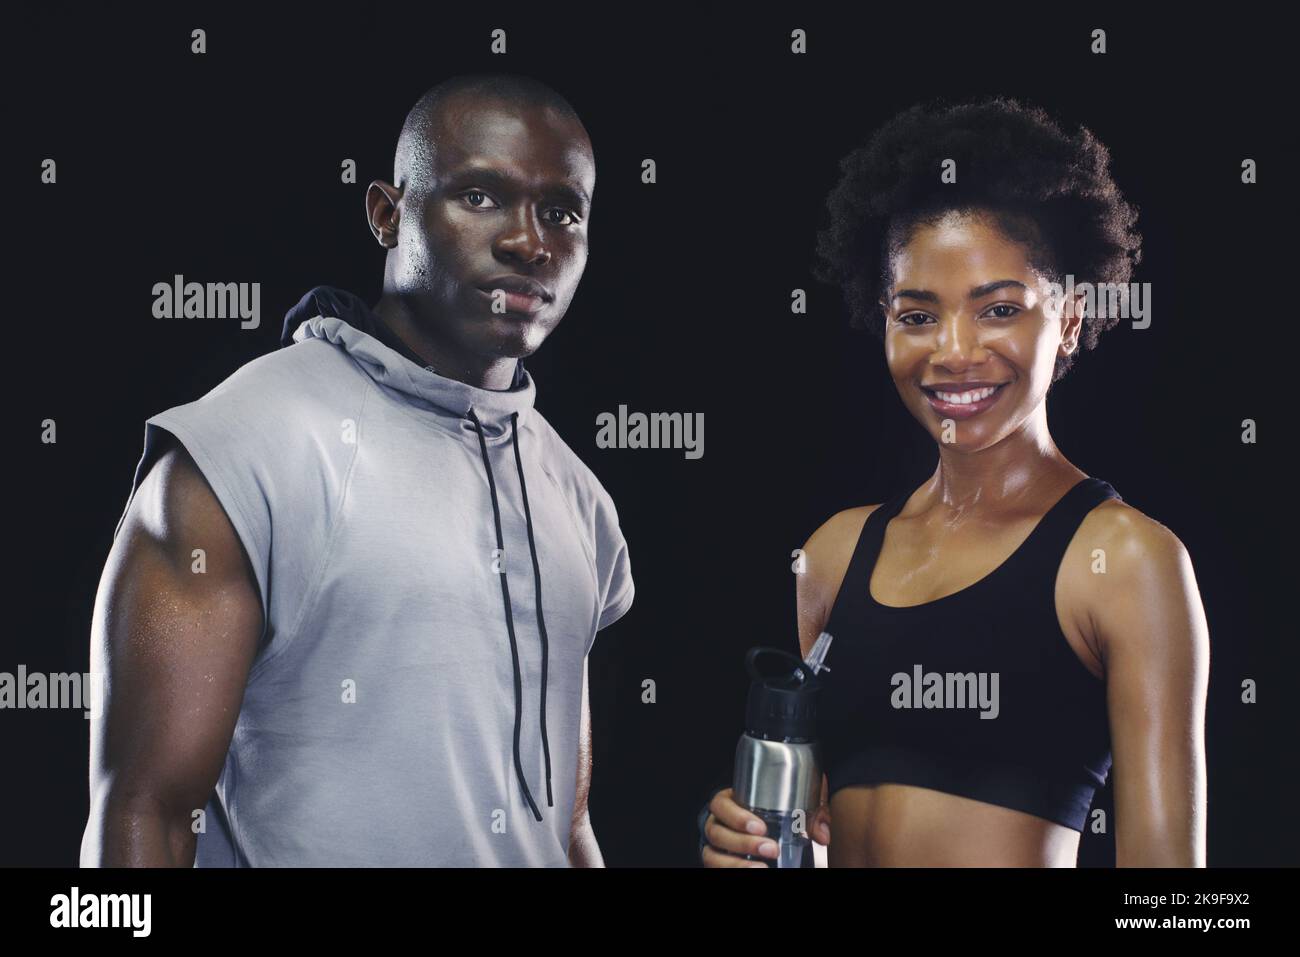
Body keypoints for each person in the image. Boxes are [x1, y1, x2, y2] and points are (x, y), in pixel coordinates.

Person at [80, 73, 634, 867]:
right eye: (480, 196)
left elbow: (568, 828)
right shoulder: (242, 449)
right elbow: (141, 815)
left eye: (561, 212)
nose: (528, 242)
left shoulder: (582, 502)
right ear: (387, 212)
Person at [702, 97, 1208, 867]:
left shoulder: (1127, 560)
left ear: (1070, 317)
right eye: (917, 315)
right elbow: (810, 836)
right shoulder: (834, 554)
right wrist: (743, 841)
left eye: (998, 308)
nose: (954, 351)